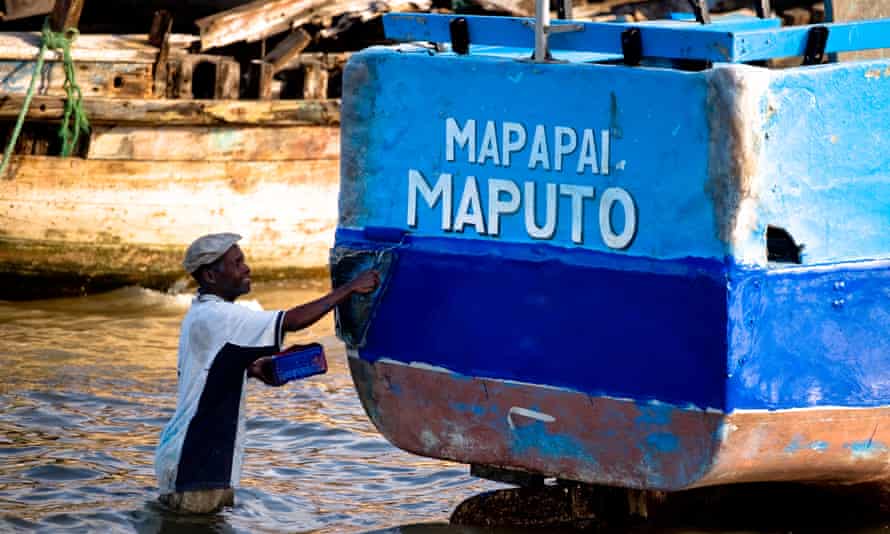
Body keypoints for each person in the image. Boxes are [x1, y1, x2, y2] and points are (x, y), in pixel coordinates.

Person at [154, 232, 379, 513]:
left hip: (195, 461)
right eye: (237, 263)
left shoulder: (201, 313)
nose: (246, 268)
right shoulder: (220, 316)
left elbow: (210, 369)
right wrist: (350, 288)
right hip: (196, 464)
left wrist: (255, 370)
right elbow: (293, 320)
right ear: (211, 276)